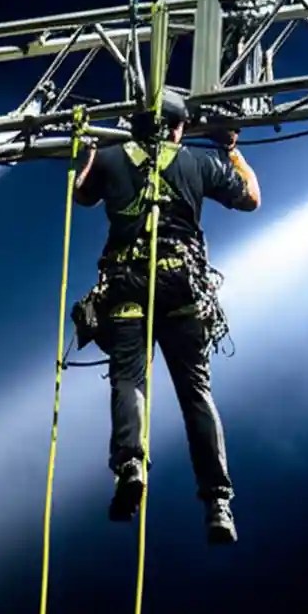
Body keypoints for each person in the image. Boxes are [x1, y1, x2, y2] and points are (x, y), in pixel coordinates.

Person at [70, 90, 261, 544]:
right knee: (196, 391)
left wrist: (92, 146)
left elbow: (81, 195)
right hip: (181, 287)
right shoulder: (198, 162)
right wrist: (230, 149)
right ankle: (218, 502)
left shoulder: (114, 158)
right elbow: (251, 198)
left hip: (127, 286)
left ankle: (131, 463)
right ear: (180, 127)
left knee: (129, 377)